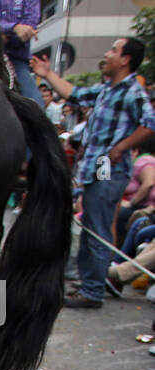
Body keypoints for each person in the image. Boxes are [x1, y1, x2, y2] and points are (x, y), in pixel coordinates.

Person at [35, 38, 155, 307]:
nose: (107, 54)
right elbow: (74, 94)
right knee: (92, 224)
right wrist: (48, 74)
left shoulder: (132, 91)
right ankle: (91, 282)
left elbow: (150, 124)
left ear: (125, 60)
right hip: (96, 170)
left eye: (113, 50)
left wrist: (121, 146)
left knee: (98, 228)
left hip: (108, 171)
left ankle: (92, 291)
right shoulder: (107, 89)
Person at [0, 0, 42, 106]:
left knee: (37, 105)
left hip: (17, 61)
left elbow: (29, 28)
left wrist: (4, 32)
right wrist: (14, 28)